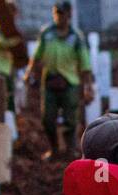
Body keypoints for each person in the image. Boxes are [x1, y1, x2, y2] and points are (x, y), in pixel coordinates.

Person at [26, 1, 94, 161]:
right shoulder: (47, 34)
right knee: (48, 119)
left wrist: (88, 87)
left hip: (69, 83)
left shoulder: (75, 37)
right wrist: (30, 73)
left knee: (71, 120)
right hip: (49, 81)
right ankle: (54, 149)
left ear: (69, 15)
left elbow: (85, 64)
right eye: (56, 13)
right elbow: (36, 56)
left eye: (61, 13)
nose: (58, 17)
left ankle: (70, 151)